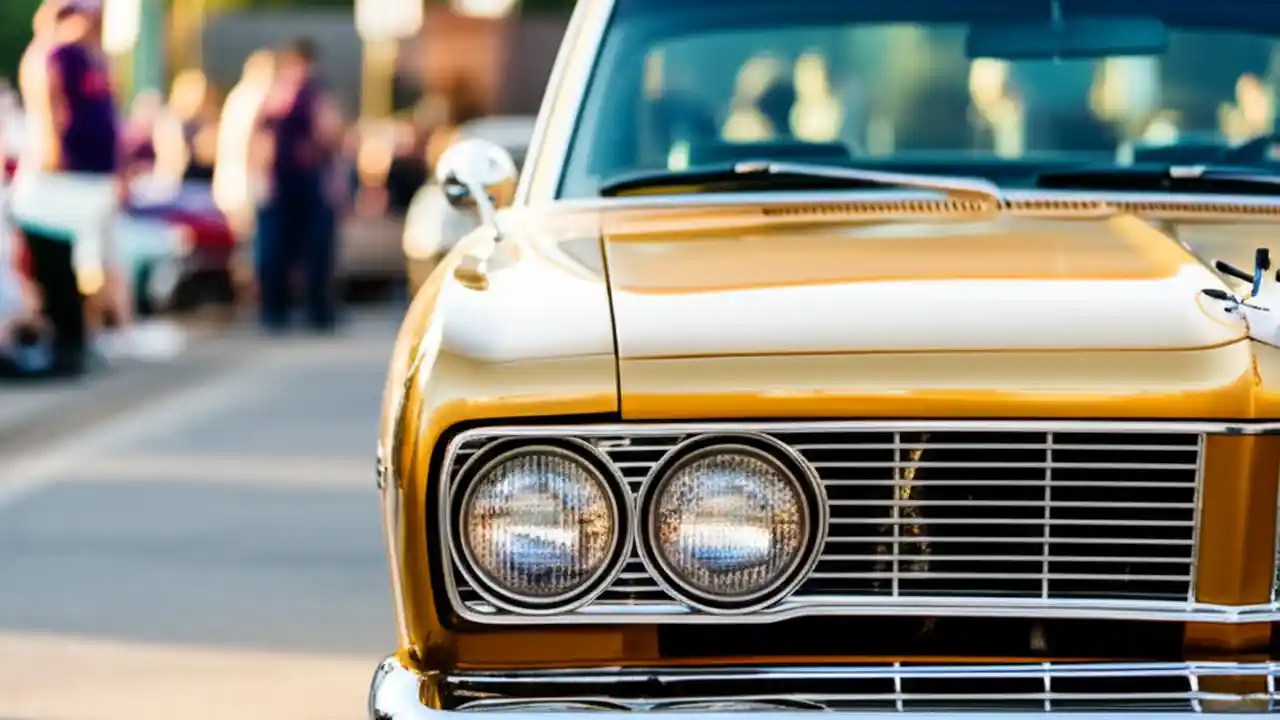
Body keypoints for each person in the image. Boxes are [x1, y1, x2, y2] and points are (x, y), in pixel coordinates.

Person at [256, 38, 342, 332]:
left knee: (292, 247)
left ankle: (281, 309)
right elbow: (328, 133)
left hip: (296, 181)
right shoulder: (305, 94)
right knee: (298, 248)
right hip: (296, 180)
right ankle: (302, 308)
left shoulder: (283, 94)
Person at [213, 49, 275, 239]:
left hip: (231, 177)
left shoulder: (236, 97)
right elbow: (251, 142)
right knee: (249, 238)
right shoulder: (255, 99)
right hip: (245, 180)